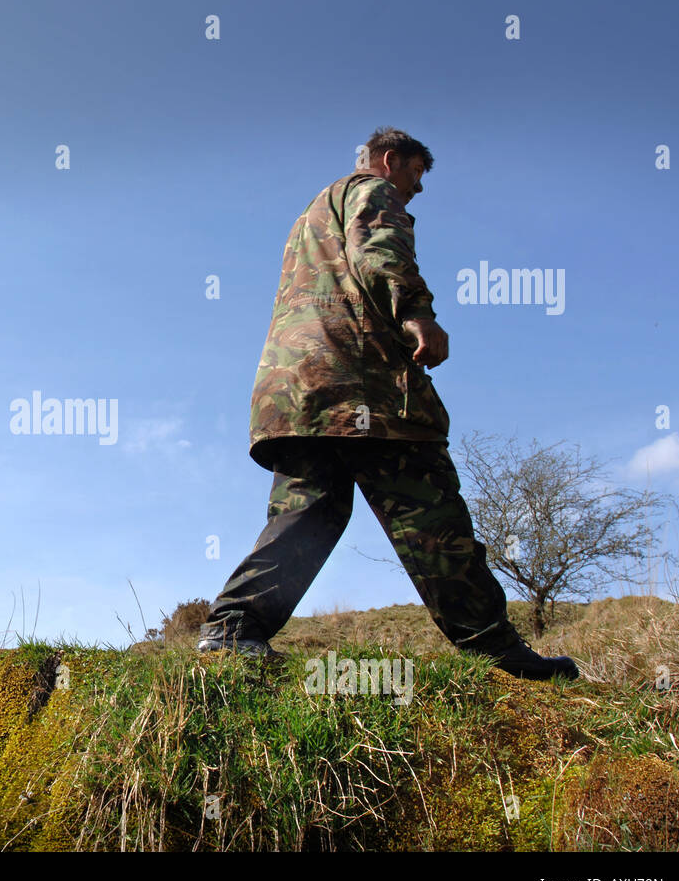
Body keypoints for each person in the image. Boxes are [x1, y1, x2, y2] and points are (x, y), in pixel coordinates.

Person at [198, 129, 577, 681]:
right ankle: (499, 655)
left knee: (312, 509)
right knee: (431, 513)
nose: (418, 189)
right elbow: (379, 250)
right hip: (361, 384)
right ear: (389, 159)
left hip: (296, 387)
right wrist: (416, 312)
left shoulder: (313, 212)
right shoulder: (373, 193)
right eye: (416, 173)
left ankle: (233, 630)